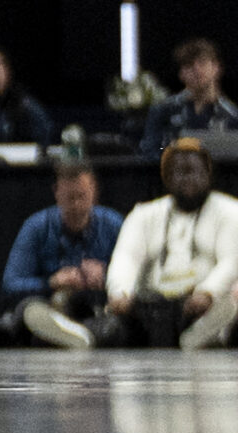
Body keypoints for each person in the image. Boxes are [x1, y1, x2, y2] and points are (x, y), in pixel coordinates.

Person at [101, 138, 238, 351]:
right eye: (180, 172)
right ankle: (85, 335)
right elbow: (125, 258)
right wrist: (120, 293)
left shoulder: (229, 211)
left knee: (229, 306)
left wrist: (208, 292)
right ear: (167, 178)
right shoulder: (143, 214)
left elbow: (231, 261)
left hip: (200, 307)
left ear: (208, 174)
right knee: (115, 329)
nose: (188, 179)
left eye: (195, 171)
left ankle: (208, 332)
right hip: (150, 309)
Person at [4, 160, 124, 350]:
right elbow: (11, 283)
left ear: (94, 192)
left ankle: (78, 336)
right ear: (57, 193)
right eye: (70, 198)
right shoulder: (36, 227)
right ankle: (71, 334)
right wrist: (51, 282)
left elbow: (134, 278)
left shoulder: (114, 224)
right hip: (51, 307)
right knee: (27, 310)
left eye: (82, 197)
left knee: (118, 323)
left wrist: (108, 276)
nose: (76, 205)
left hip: (97, 311)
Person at [141, 38, 238, 159]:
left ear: (216, 68)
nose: (196, 69)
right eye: (189, 65)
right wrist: (168, 150)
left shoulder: (232, 116)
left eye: (202, 63)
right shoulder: (163, 111)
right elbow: (151, 149)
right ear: (181, 74)